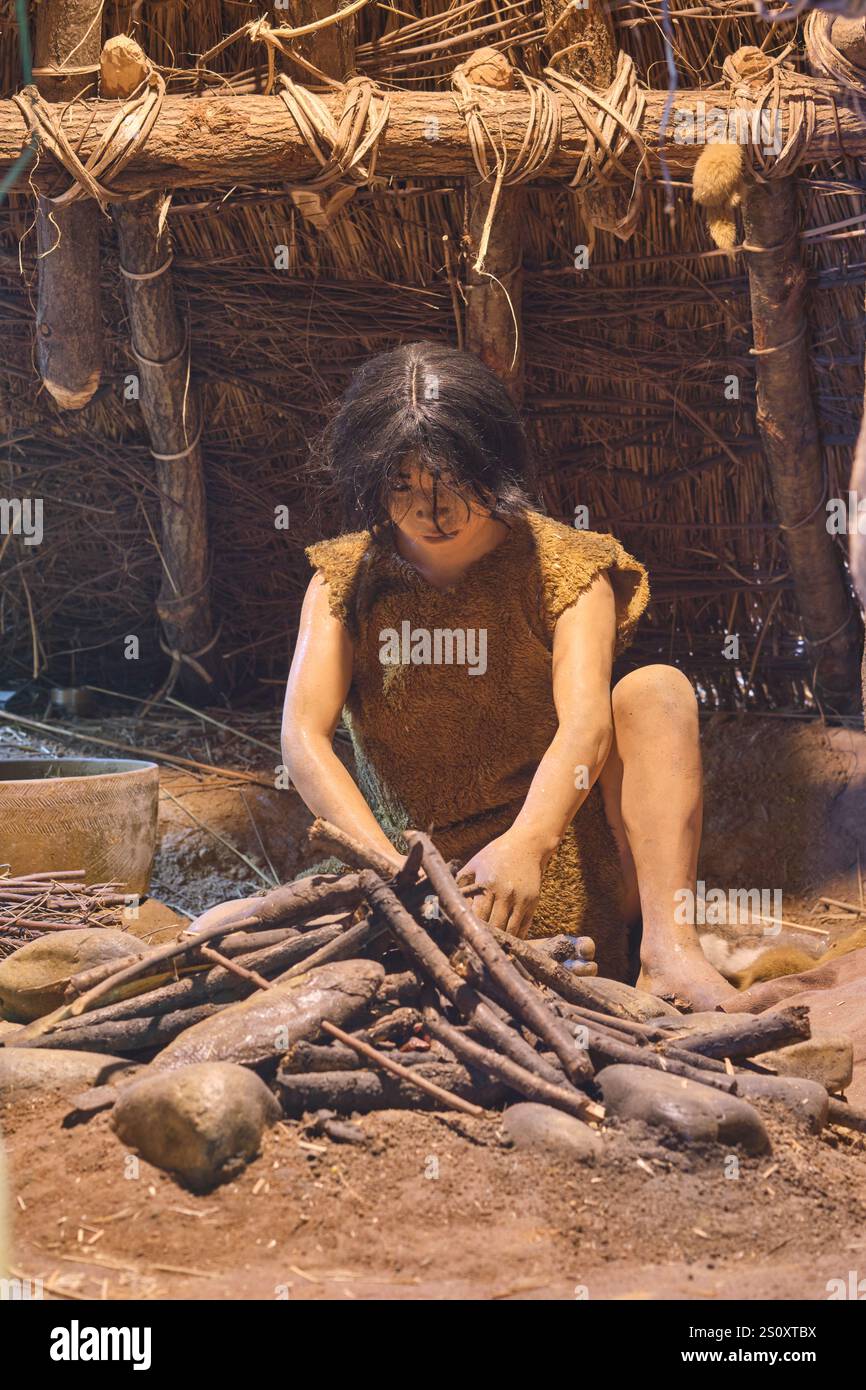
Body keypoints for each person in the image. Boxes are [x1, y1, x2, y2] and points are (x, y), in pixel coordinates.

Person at [282, 341, 736, 1009]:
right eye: (402, 484)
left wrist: (527, 843)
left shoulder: (566, 565)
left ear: (492, 465)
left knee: (656, 691)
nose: (429, 511)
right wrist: (392, 875)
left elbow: (586, 726)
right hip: (403, 872)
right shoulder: (345, 581)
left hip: (544, 876)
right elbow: (302, 735)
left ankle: (670, 950)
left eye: (450, 483)